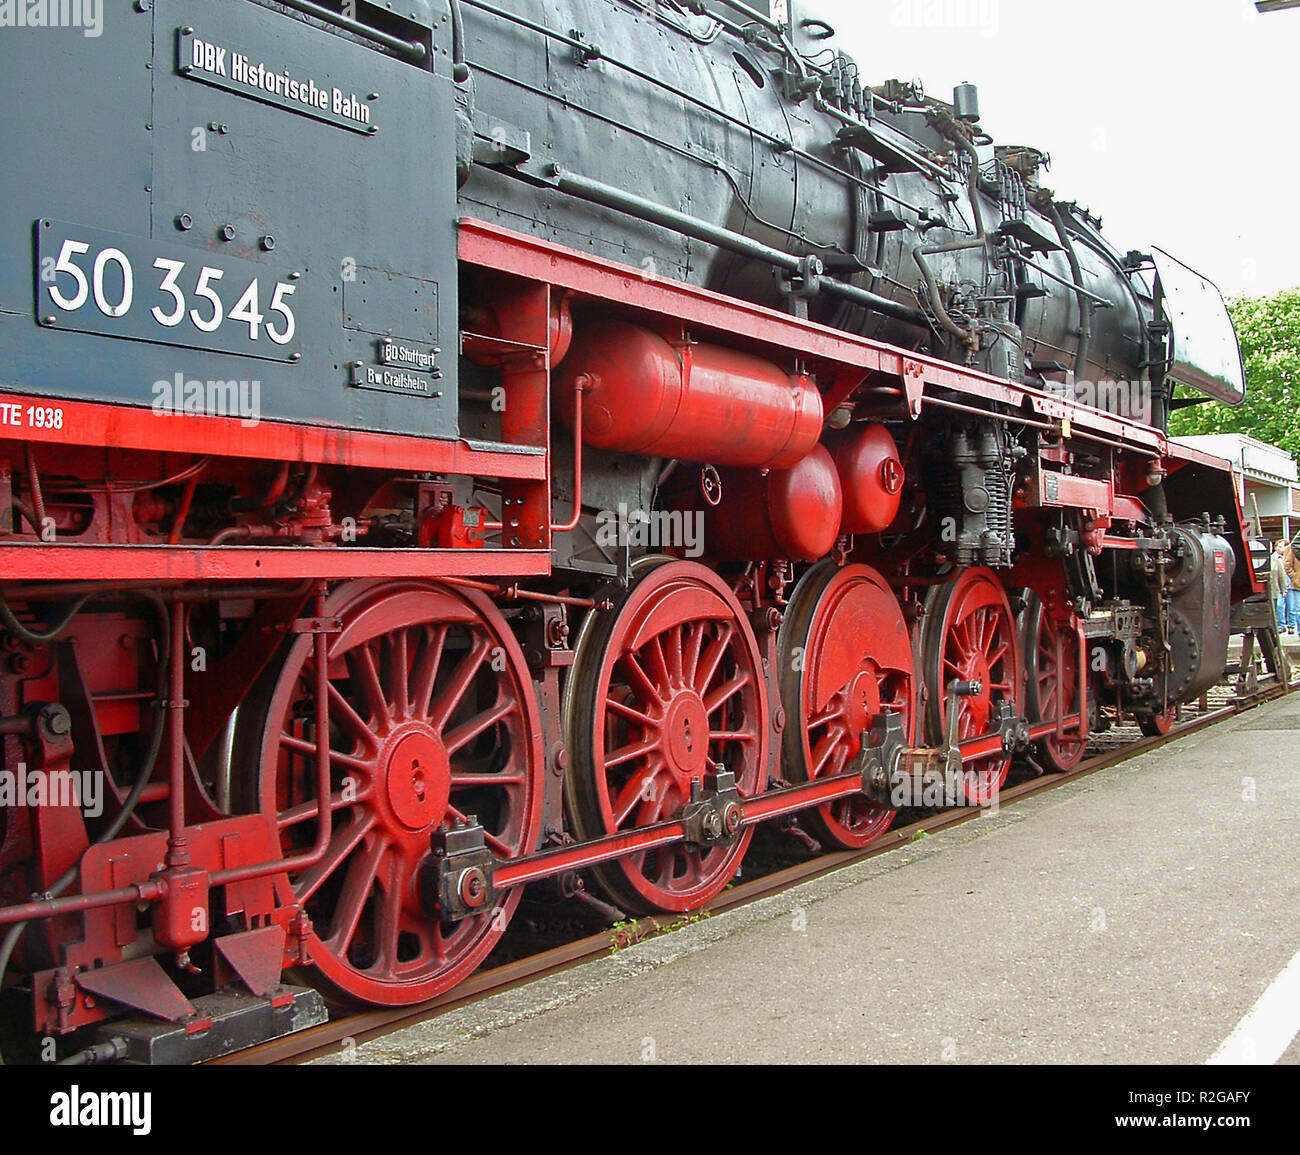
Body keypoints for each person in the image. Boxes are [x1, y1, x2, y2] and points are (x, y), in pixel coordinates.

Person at [1271, 539, 1288, 630]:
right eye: (1279, 546)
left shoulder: (1285, 557)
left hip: (1284, 583)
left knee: (1288, 606)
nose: (1280, 548)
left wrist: (1284, 589)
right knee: (1279, 606)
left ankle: (1286, 624)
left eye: (1282, 546)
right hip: (1274, 587)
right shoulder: (1273, 559)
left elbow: (1281, 576)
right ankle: (1280, 625)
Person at [1284, 539, 1300, 635]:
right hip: (1298, 583)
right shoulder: (1292, 547)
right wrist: (1295, 577)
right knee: (1298, 609)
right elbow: (1287, 565)